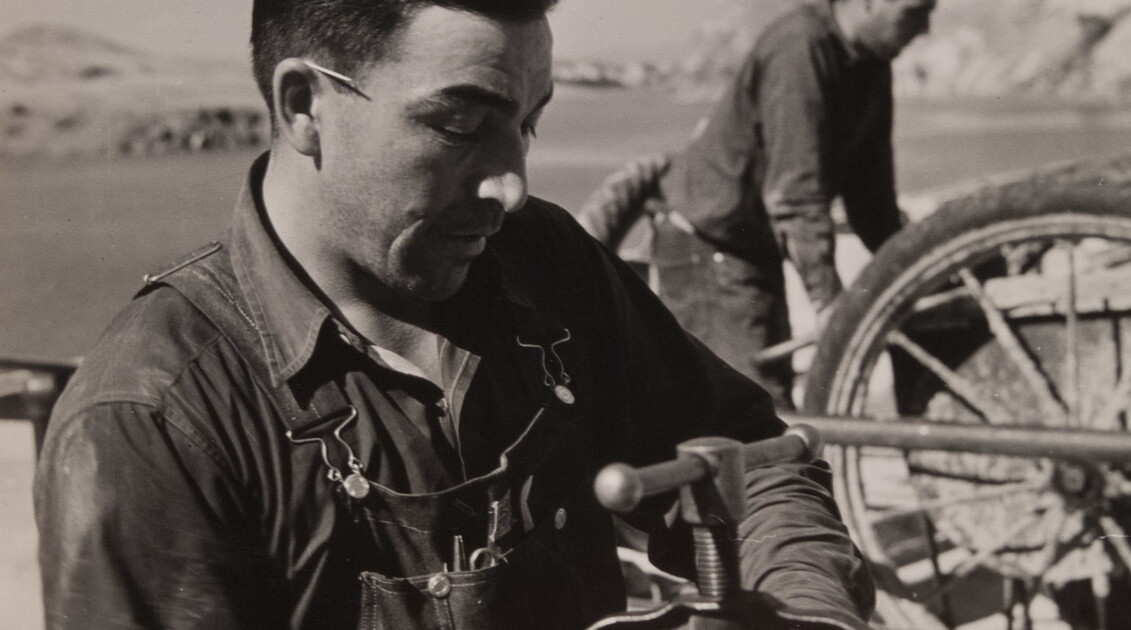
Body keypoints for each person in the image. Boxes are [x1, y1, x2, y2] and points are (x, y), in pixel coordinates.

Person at [35, 1, 874, 628]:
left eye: (529, 124)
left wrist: (805, 609)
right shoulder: (154, 422)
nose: (510, 184)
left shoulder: (544, 262)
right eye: (459, 124)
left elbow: (753, 460)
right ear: (303, 106)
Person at [582, 0, 935, 406]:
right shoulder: (801, 49)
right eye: (914, 12)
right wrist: (827, 302)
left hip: (751, 246)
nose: (924, 28)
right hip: (707, 247)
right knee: (746, 415)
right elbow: (795, 196)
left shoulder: (870, 65)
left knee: (764, 403)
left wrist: (925, 268)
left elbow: (872, 204)